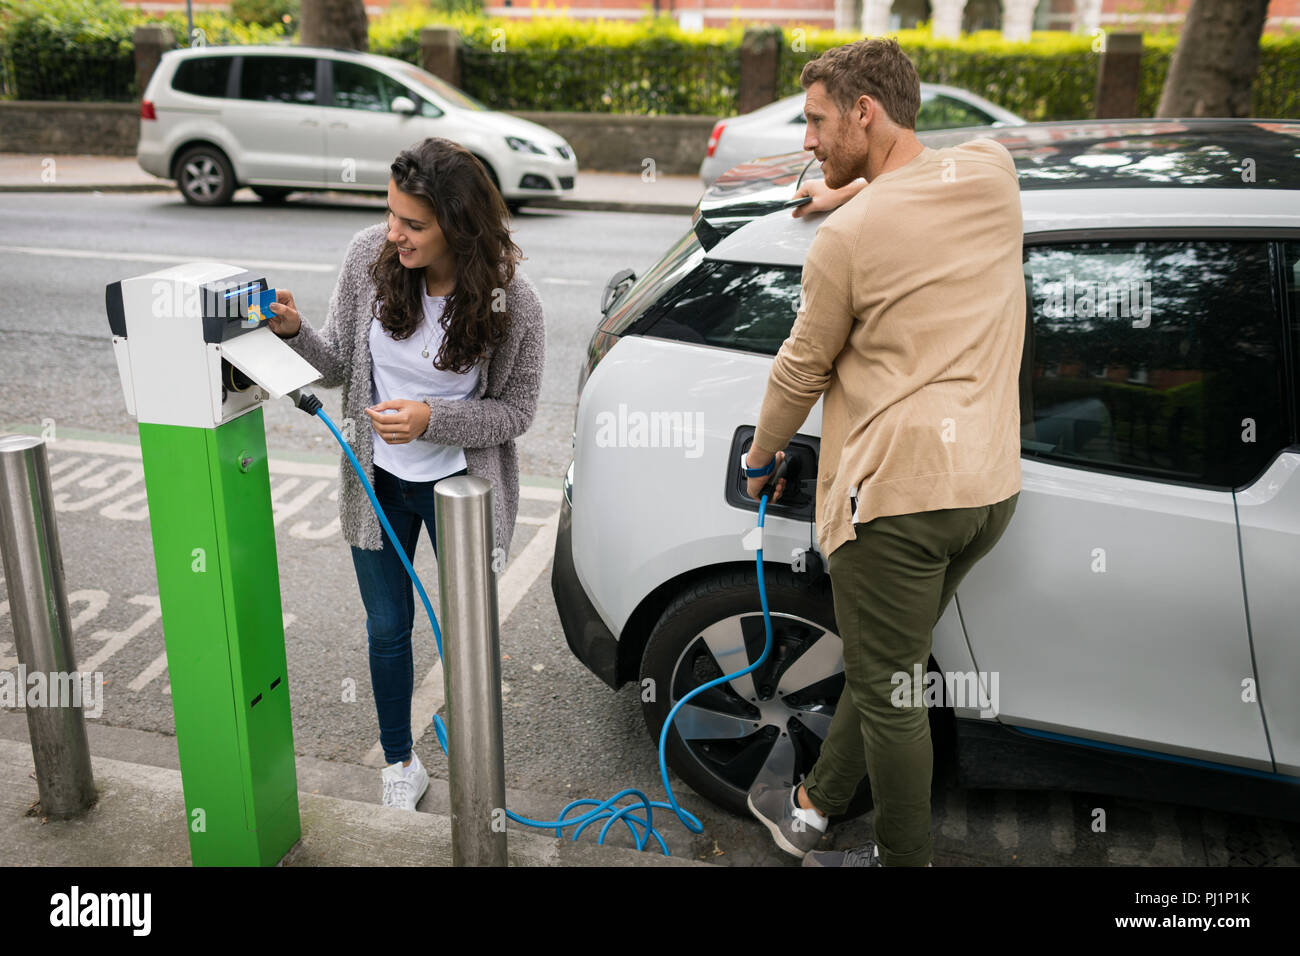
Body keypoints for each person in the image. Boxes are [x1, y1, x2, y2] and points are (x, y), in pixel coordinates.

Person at [742, 38, 1024, 867]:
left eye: (817, 120)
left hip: (899, 502)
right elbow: (915, 185)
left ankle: (905, 858)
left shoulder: (848, 239)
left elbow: (801, 367)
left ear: (864, 111)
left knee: (893, 695)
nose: (807, 140)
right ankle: (816, 807)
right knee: (885, 668)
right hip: (988, 493)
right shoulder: (991, 172)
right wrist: (856, 187)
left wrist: (761, 458)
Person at [265, 137, 545, 810]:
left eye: (413, 224)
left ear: (458, 223)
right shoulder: (369, 257)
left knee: (468, 634)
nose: (394, 234)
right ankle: (400, 762)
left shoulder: (514, 302)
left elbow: (516, 413)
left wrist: (433, 419)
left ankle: (479, 766)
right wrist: (295, 331)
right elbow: (335, 365)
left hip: (461, 495)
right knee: (387, 629)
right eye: (391, 215)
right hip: (377, 481)